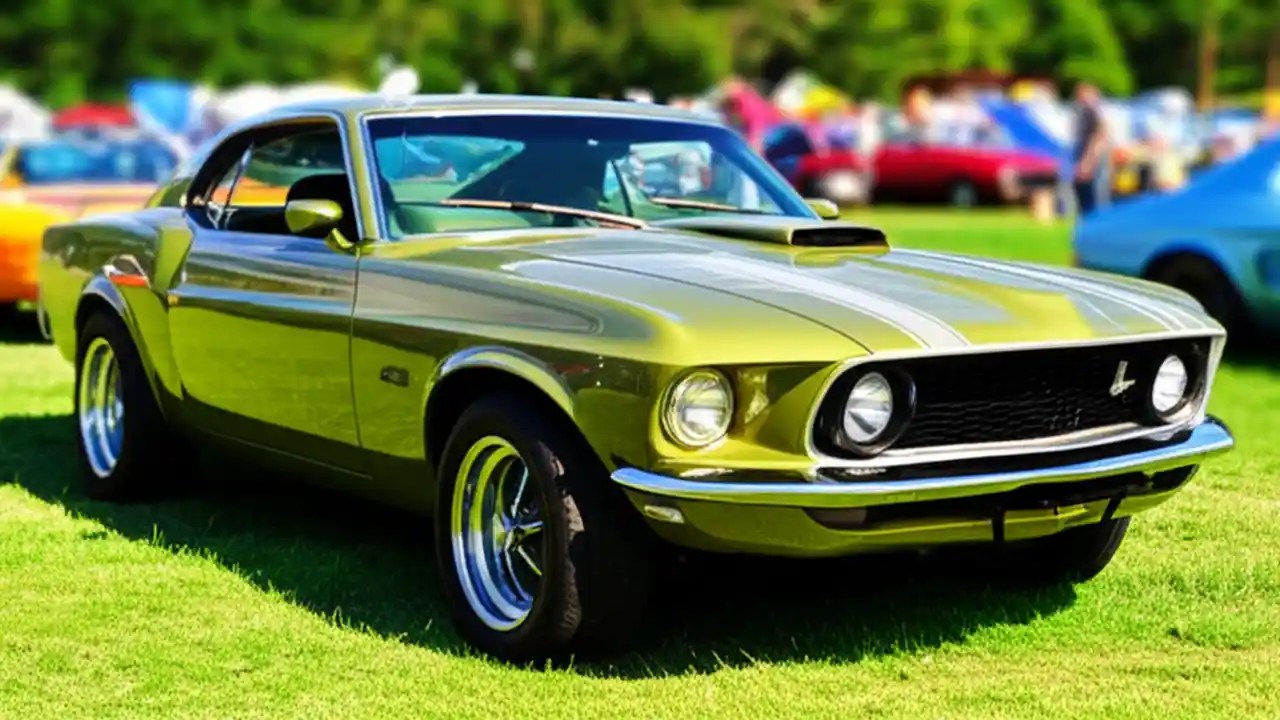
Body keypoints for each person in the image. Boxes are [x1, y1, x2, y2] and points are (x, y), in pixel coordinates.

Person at [1072, 82, 1110, 215]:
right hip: (1088, 155)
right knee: (1087, 194)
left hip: (1094, 156)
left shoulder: (1094, 112)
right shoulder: (1085, 112)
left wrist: (1087, 162)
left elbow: (1098, 138)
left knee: (1097, 194)